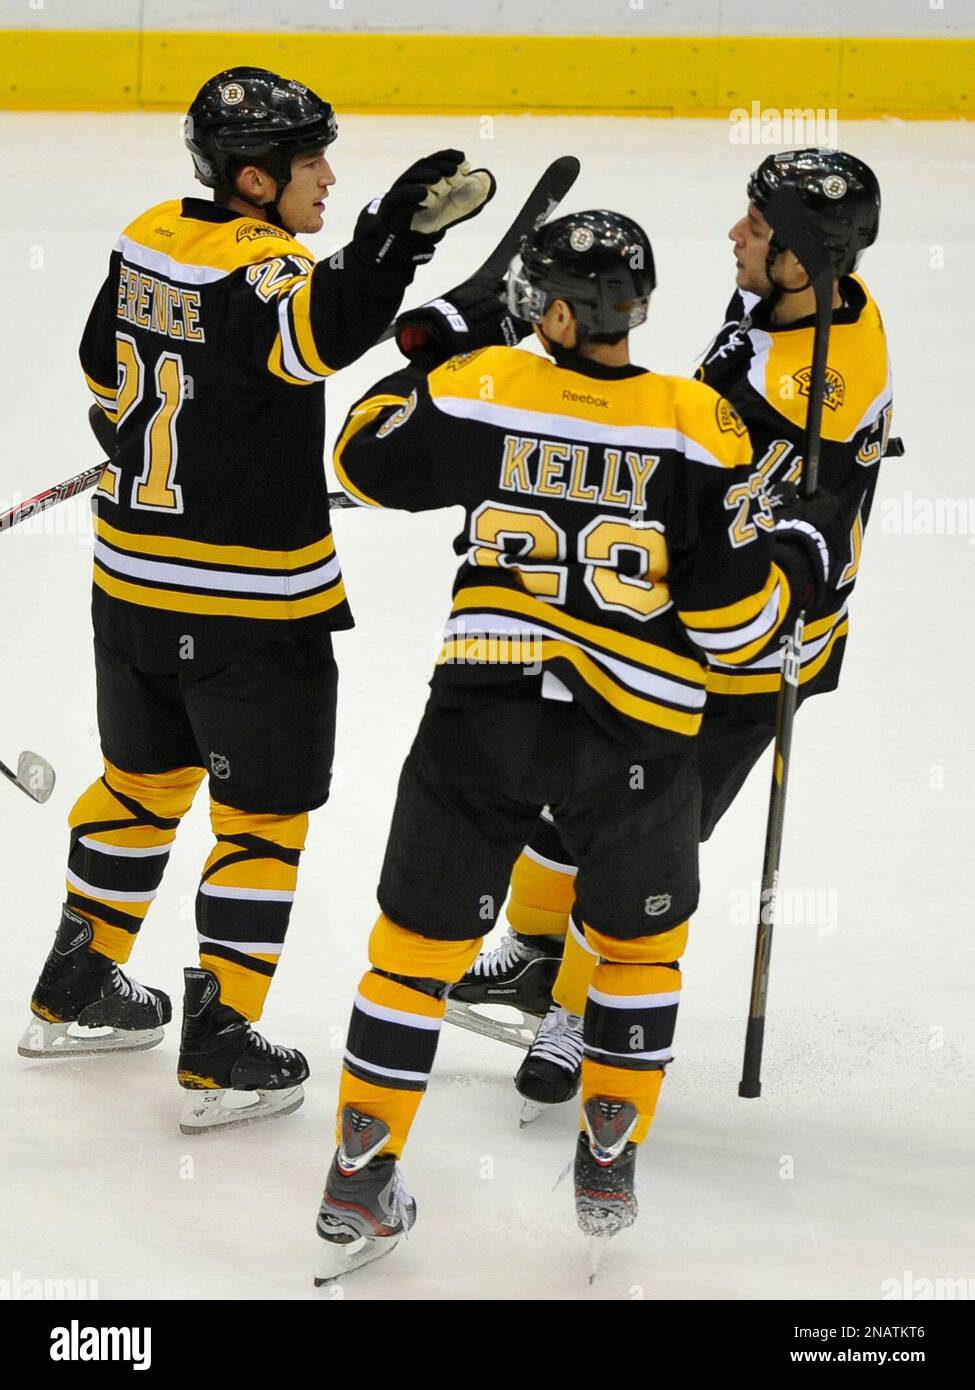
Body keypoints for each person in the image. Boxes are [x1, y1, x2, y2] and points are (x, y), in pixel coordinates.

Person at [312, 208, 847, 1277]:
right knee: (639, 948)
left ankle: (360, 1173)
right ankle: (609, 1151)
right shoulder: (702, 423)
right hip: (639, 736)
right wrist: (801, 549)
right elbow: (734, 626)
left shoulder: (485, 386)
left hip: (483, 713)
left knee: (414, 956)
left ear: (556, 311)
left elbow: (362, 458)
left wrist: (437, 342)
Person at [18, 65, 494, 1135]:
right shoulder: (271, 267)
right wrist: (392, 242)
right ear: (251, 179)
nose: (327, 178)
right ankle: (223, 1047)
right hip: (250, 612)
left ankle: (79, 985)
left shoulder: (146, 235)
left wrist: (180, 448)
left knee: (140, 789)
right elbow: (314, 331)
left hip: (131, 585)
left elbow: (105, 376)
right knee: (260, 821)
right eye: (310, 164)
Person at [448, 149, 891, 1121]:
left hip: (749, 648)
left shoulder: (812, 381)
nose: (736, 235)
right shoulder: (789, 308)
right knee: (583, 783)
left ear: (806, 255)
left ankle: (575, 1008)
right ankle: (533, 950)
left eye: (759, 229)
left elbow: (710, 499)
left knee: (647, 832)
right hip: (686, 611)